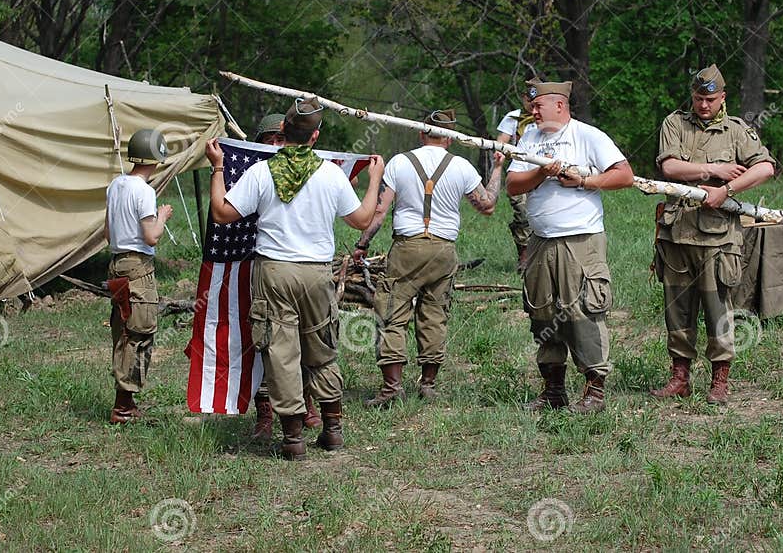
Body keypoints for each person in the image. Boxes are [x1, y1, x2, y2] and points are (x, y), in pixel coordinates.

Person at [206, 96, 385, 459]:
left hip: (273, 272)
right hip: (316, 273)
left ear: (283, 131)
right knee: (322, 349)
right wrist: (375, 179)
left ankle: (292, 439)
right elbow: (363, 220)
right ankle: (332, 429)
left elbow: (223, 214)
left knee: (281, 352)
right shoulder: (331, 174)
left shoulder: (260, 172)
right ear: (315, 136)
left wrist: (218, 169)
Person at [353, 109, 503, 407]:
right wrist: (498, 168)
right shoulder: (461, 166)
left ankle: (391, 388)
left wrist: (362, 244)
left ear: (421, 133)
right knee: (435, 315)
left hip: (407, 249)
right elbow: (487, 206)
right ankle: (429, 384)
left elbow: (380, 211)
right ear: (449, 137)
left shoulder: (400, 162)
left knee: (392, 314)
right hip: (443, 251)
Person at [650, 64, 775, 404]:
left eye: (709, 99)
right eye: (697, 99)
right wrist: (712, 170)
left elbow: (765, 167)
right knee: (677, 310)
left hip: (718, 238)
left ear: (722, 98)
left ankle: (720, 381)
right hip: (676, 233)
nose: (703, 106)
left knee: (719, 309)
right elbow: (670, 167)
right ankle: (680, 377)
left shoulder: (736, 130)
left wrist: (727, 189)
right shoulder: (674, 123)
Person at [506, 80, 634, 414]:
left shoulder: (588, 135)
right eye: (531, 107)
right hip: (540, 241)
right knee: (542, 312)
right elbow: (512, 185)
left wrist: (584, 180)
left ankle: (594, 391)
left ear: (559, 105)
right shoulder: (530, 137)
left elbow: (624, 176)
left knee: (583, 312)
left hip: (581, 239)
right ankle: (553, 390)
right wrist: (541, 173)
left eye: (538, 107)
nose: (533, 112)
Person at [248, 114, 322, 439]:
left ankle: (307, 402)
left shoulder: (312, 170)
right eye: (269, 142)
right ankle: (267, 410)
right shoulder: (256, 171)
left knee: (308, 340)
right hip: (263, 266)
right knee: (270, 343)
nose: (275, 147)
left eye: (279, 141)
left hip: (304, 267)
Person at [104, 129, 173, 424]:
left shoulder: (115, 185)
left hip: (117, 264)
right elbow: (152, 236)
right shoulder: (144, 191)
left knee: (123, 332)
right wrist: (163, 216)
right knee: (139, 333)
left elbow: (108, 233)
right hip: (138, 269)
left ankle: (124, 401)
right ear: (156, 157)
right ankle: (123, 406)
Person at [495, 95, 537, 271]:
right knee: (521, 212)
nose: (532, 104)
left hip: (543, 172)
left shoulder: (546, 117)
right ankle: (524, 254)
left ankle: (541, 255)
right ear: (523, 98)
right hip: (519, 172)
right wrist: (500, 152)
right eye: (529, 100)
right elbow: (501, 141)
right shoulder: (513, 117)